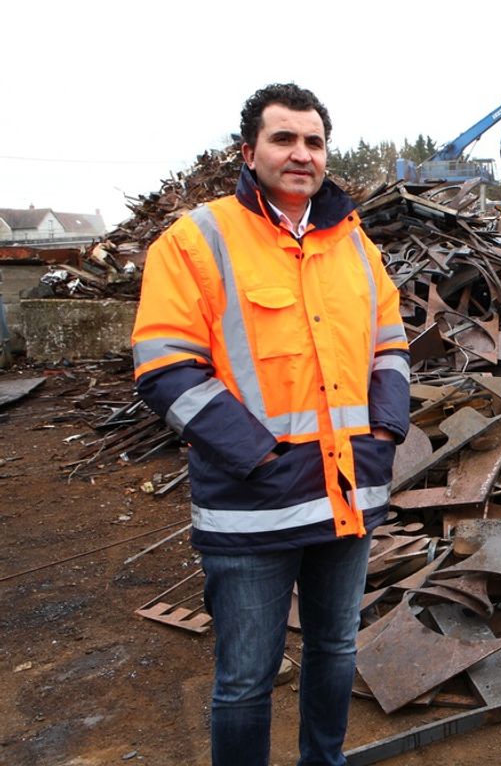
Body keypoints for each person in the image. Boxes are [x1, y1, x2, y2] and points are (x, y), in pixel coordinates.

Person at [131, 83, 410, 765]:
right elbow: (164, 366)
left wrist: (383, 435)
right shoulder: (198, 241)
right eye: (284, 138)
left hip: (346, 496)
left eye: (314, 141)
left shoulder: (354, 244)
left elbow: (391, 345)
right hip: (252, 505)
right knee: (246, 678)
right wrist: (259, 458)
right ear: (249, 151)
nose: (301, 154)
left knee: (335, 648)